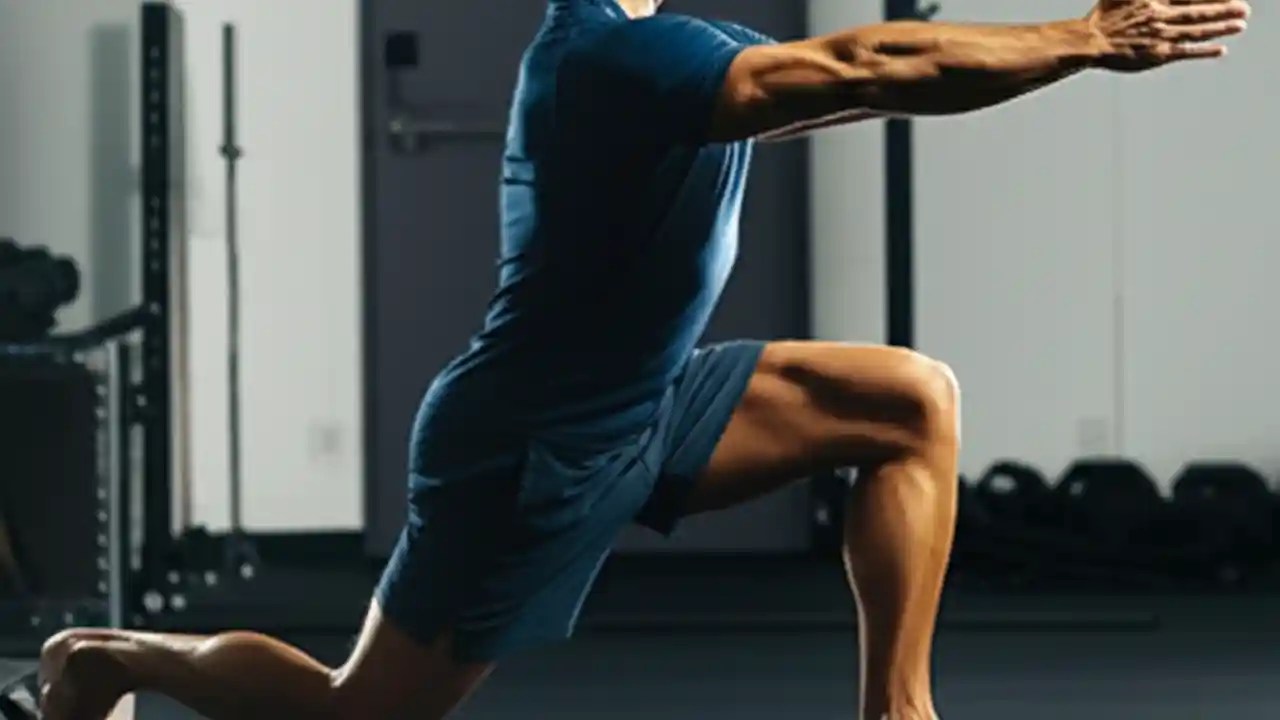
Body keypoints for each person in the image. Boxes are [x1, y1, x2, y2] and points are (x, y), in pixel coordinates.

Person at [38, 0, 1249, 718]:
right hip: (529, 445)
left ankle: (899, 712)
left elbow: (825, 99)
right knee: (366, 712)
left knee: (906, 402)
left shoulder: (664, 43)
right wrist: (1083, 38)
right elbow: (862, 68)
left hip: (651, 398)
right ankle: (108, 659)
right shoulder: (600, 60)